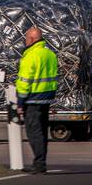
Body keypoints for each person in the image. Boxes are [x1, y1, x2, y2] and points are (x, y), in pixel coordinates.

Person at [16, 25, 59, 174]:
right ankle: (40, 162)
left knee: (34, 132)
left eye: (26, 38)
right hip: (46, 98)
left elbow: (24, 81)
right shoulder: (50, 54)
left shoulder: (30, 55)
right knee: (41, 132)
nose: (25, 41)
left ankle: (39, 164)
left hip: (32, 99)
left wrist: (20, 101)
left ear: (32, 39)